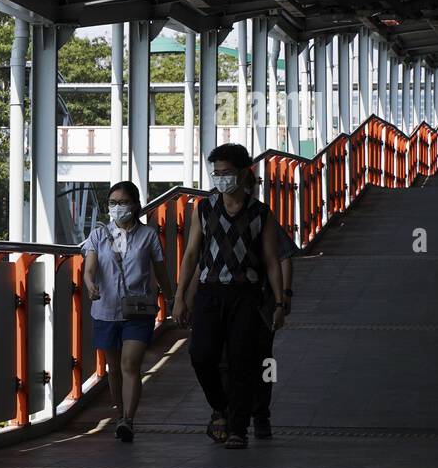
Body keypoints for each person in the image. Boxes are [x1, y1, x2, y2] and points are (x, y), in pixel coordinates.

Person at [173, 144, 287, 449]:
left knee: (242, 361)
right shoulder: (204, 208)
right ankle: (219, 407)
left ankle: (238, 428)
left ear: (243, 173)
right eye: (217, 173)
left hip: (246, 294)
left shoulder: (260, 213)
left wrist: (279, 302)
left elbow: (273, 260)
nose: (221, 179)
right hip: (209, 292)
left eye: (227, 173)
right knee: (201, 355)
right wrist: (180, 296)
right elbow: (191, 254)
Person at [81, 180, 174, 443]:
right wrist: (90, 285)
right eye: (112, 203)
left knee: (129, 364)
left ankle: (128, 420)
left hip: (138, 310)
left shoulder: (148, 235)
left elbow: (160, 270)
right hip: (106, 309)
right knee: (114, 368)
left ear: (135, 205)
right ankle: (120, 414)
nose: (117, 207)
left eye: (122, 202)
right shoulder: (98, 235)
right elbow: (89, 268)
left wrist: (172, 297)